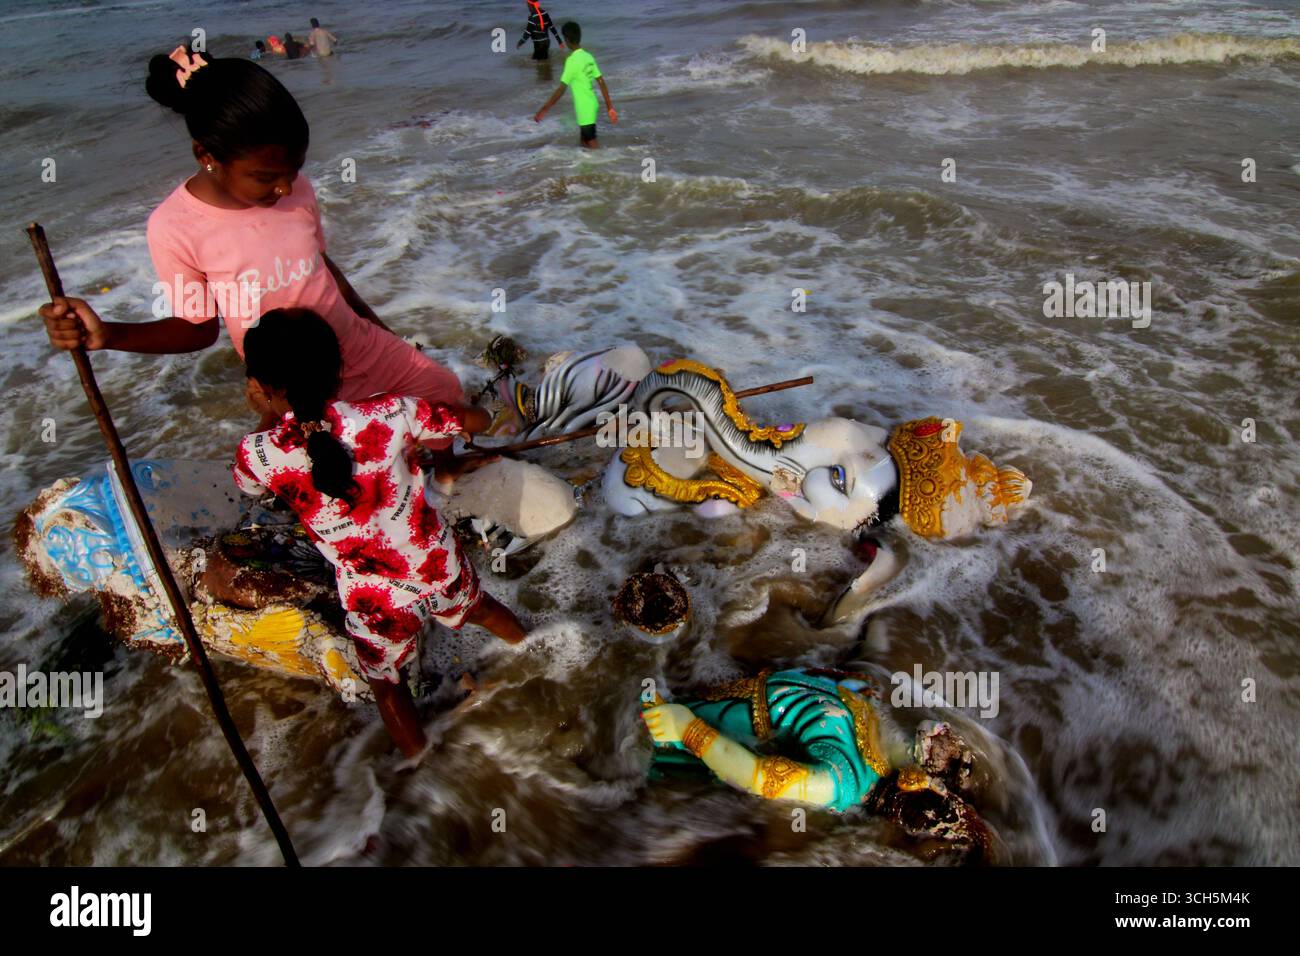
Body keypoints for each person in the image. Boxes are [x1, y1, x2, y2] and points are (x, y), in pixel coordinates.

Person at [39, 46, 467, 435]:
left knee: (448, 395)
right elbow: (198, 330)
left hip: (359, 345)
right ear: (206, 156)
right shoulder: (175, 226)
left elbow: (322, 268)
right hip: (295, 383)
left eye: (294, 169)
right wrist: (108, 334)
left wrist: (382, 332)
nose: (284, 188)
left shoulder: (297, 190)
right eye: (265, 178)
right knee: (343, 455)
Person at [235, 309, 527, 758]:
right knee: (481, 608)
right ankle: (535, 659)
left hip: (372, 596)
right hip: (433, 561)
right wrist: (478, 418)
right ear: (339, 370)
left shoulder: (258, 452)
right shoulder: (391, 410)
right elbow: (475, 421)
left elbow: (248, 485)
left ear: (262, 388)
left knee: (388, 686)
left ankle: (421, 767)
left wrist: (268, 417)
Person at [533, 21, 616, 148]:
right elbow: (601, 81)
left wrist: (544, 109)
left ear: (566, 40)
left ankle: (603, 164)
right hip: (592, 104)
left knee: (591, 142)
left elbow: (561, 89)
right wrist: (610, 107)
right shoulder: (588, 56)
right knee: (584, 141)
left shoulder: (571, 61)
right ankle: (586, 165)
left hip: (584, 108)